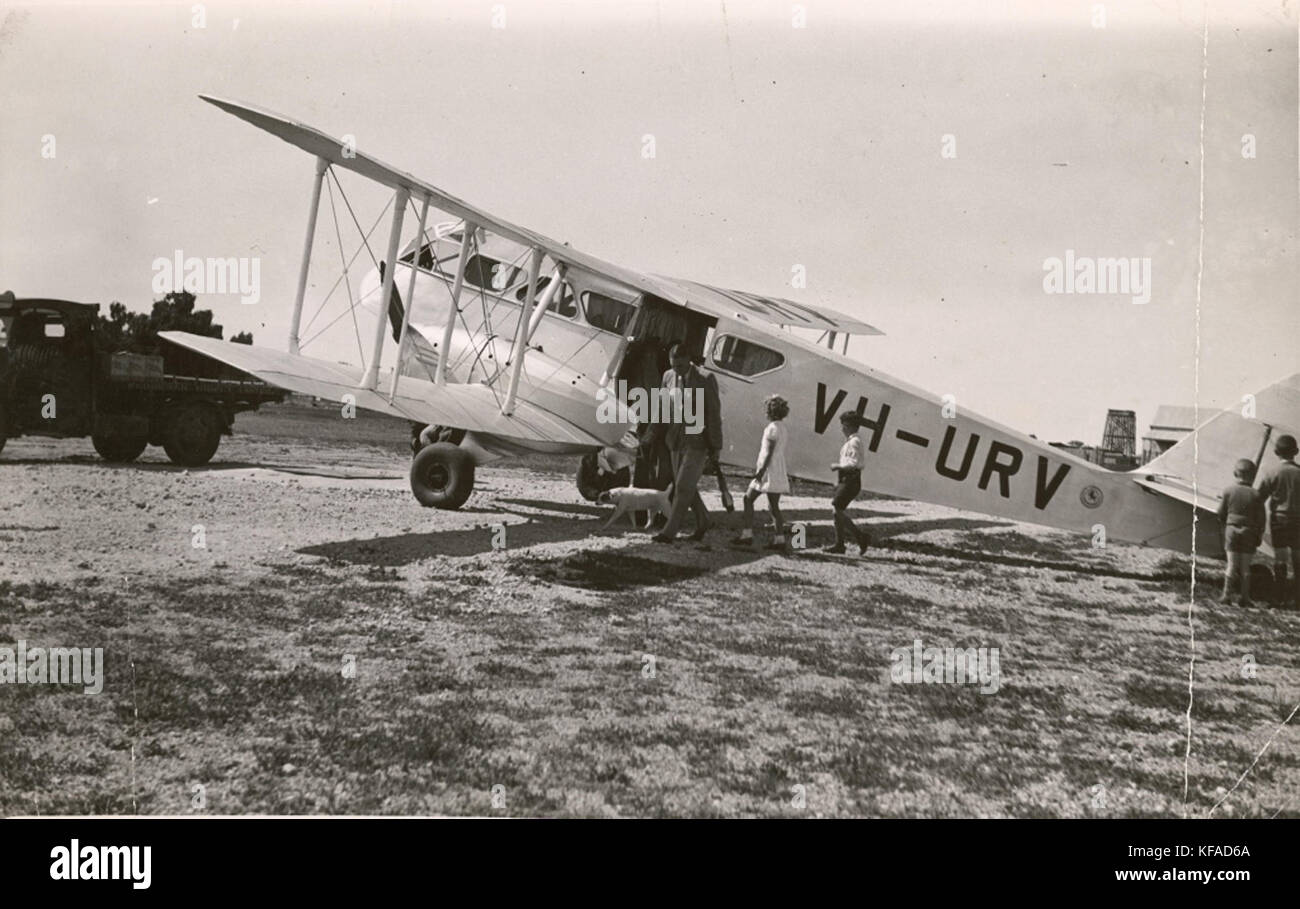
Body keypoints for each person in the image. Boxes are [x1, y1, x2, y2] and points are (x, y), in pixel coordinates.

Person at [652, 342, 722, 544]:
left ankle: (669, 532)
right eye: (674, 366)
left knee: (683, 486)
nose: (677, 371)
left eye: (681, 366)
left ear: (689, 361)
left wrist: (716, 447)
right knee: (686, 486)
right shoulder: (667, 377)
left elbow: (714, 415)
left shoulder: (706, 379)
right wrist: (651, 434)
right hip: (674, 440)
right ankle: (704, 520)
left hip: (698, 441)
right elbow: (663, 408)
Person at [733, 395, 790, 550]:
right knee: (773, 506)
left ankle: (747, 534)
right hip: (777, 469)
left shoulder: (771, 428)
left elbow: (768, 452)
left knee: (748, 499)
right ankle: (779, 538)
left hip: (768, 470)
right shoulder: (782, 427)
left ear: (771, 412)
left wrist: (760, 472)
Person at [1258, 433, 1300, 609]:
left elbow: (1260, 496)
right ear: (1296, 451)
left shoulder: (1272, 472)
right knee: (1298, 559)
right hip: (1298, 522)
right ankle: (1297, 599)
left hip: (1279, 521)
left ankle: (1278, 598)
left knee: (1280, 559)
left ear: (1276, 452)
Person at [1216, 458, 1266, 607]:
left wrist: (1227, 523)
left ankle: (1226, 595)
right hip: (1249, 531)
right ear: (1253, 475)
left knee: (1231, 565)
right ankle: (1245, 597)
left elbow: (1220, 512)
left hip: (1232, 529)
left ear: (1234, 473)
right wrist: (1258, 535)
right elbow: (1261, 519)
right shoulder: (1256, 495)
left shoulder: (1228, 491)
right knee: (1245, 567)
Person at [826, 411, 871, 555]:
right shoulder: (852, 441)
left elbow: (853, 463)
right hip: (847, 480)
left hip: (850, 480)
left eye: (844, 426)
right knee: (837, 511)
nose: (842, 429)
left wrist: (837, 466)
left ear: (850, 426)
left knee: (837, 510)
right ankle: (840, 544)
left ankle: (859, 536)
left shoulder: (854, 442)